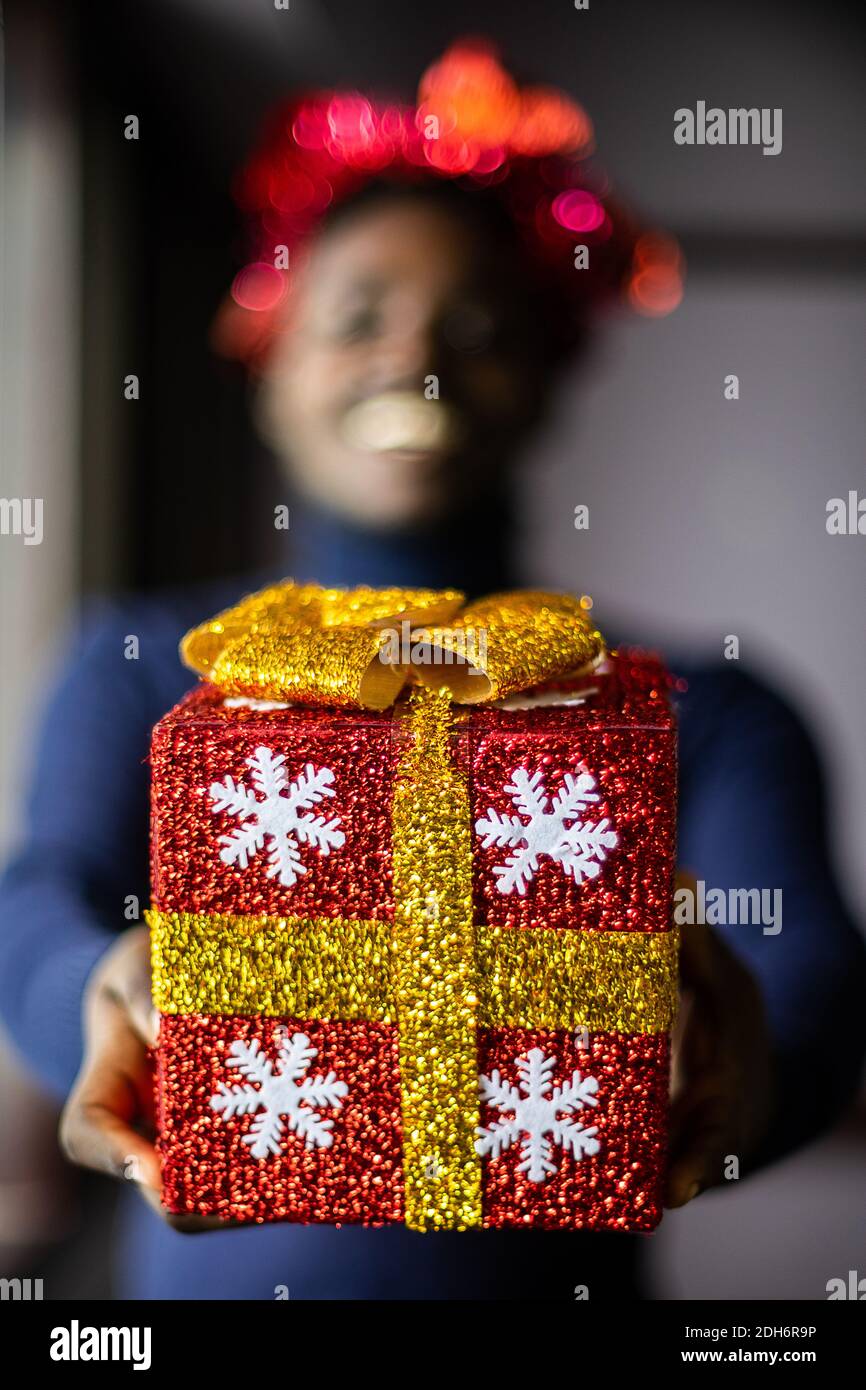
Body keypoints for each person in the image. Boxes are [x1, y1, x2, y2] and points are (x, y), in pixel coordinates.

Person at [1, 42, 864, 1301]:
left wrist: (745, 1072)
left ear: (549, 379)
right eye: (355, 317)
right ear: (270, 360)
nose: (415, 353)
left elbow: (810, 977)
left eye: (478, 327)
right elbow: (38, 899)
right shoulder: (139, 663)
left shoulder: (703, 702)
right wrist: (96, 992)